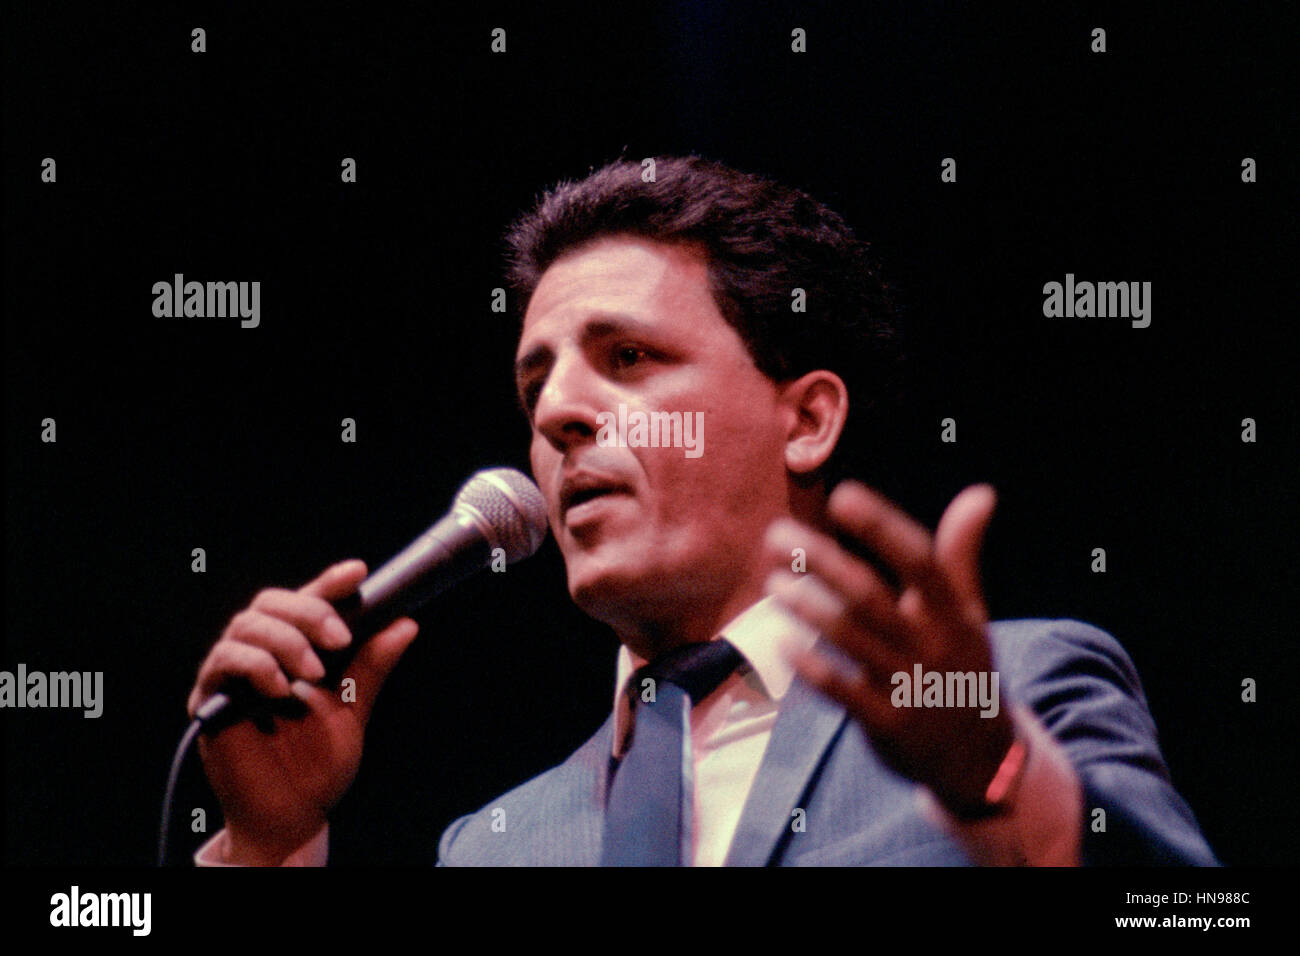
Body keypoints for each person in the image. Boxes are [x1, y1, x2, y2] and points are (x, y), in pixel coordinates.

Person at [188, 156, 1216, 866]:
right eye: (534, 384)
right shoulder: (496, 840)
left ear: (806, 418)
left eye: (627, 358)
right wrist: (267, 849)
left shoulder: (1016, 692)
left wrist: (999, 783)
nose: (559, 412)